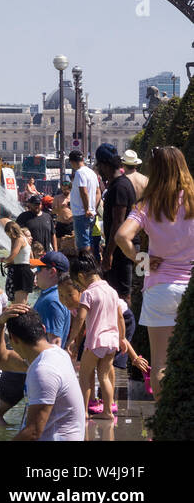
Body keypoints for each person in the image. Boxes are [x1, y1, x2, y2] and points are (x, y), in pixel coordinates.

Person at [114, 144, 194, 405]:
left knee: (160, 361)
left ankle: (162, 417)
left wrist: (142, 259)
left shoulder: (149, 204)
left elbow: (121, 236)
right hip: (190, 287)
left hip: (160, 287)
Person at [0, 305, 85, 441]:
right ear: (43, 329)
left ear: (14, 339)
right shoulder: (56, 353)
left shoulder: (44, 370)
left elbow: (33, 433)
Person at [65, 254, 120, 418]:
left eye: (77, 281)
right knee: (104, 376)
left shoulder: (88, 294)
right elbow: (119, 316)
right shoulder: (112, 291)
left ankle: (83, 412)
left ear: (81, 276)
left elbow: (80, 318)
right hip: (112, 340)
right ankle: (108, 411)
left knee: (85, 375)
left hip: (96, 341)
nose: (78, 285)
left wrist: (71, 341)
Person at [98, 145, 136, 301]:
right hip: (119, 246)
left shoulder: (119, 187)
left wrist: (109, 254)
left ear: (105, 166)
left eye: (99, 166)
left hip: (121, 247)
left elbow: (118, 222)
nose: (99, 170)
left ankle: (127, 323)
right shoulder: (119, 184)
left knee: (122, 294)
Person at [32, 251, 73, 347]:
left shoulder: (51, 302)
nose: (36, 273)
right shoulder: (55, 295)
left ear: (52, 272)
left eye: (38, 269)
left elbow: (54, 343)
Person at [67, 150, 100, 254]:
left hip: (81, 213)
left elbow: (83, 191)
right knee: (90, 241)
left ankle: (86, 267)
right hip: (90, 214)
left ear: (72, 162)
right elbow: (98, 192)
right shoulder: (92, 173)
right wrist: (93, 208)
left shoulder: (79, 173)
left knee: (83, 244)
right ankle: (93, 264)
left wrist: (87, 209)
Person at [1, 219, 34, 304]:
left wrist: (4, 260)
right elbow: (30, 258)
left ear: (11, 231)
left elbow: (12, 256)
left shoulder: (19, 239)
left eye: (8, 234)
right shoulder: (25, 240)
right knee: (19, 302)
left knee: (20, 304)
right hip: (23, 269)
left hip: (21, 271)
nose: (8, 236)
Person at [17, 193, 55, 263]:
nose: (37, 206)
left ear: (41, 204)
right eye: (35, 204)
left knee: (44, 272)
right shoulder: (23, 217)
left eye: (38, 204)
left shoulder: (47, 217)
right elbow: (17, 235)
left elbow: (53, 234)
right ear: (30, 205)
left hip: (45, 254)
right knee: (33, 270)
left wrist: (55, 252)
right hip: (29, 255)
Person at [51, 178, 74, 253]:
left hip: (71, 224)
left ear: (70, 189)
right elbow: (53, 211)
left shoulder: (73, 197)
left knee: (71, 243)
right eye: (63, 189)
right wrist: (61, 208)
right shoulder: (57, 198)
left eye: (66, 189)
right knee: (58, 243)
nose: (65, 191)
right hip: (61, 223)